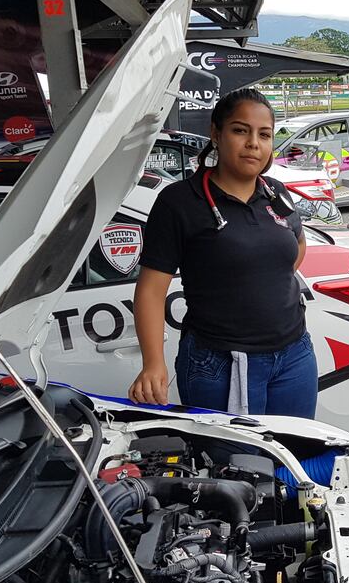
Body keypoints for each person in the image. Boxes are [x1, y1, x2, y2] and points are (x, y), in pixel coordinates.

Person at [129, 88, 318, 427]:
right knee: (236, 473)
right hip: (219, 363)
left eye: (264, 134)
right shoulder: (180, 202)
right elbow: (150, 291)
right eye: (240, 130)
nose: (253, 143)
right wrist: (153, 363)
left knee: (296, 460)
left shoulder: (276, 192)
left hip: (294, 356)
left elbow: (296, 245)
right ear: (216, 133)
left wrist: (260, 280)